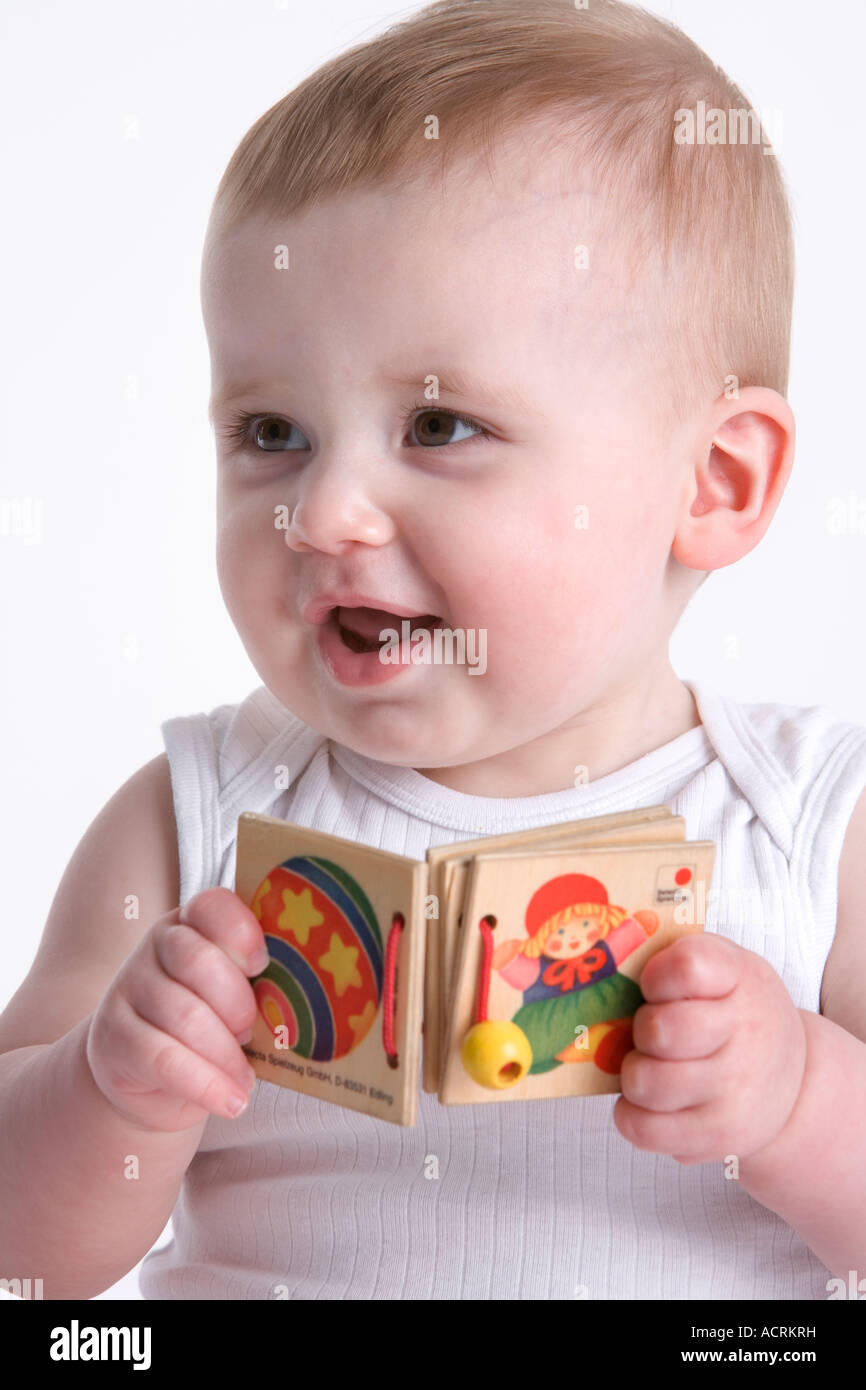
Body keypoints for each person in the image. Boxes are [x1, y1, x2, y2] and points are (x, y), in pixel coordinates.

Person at [3, 0, 866, 1301]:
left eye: (442, 424)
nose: (326, 511)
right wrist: (105, 1087)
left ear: (713, 481)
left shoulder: (805, 832)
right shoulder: (196, 825)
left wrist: (799, 1095)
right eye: (272, 432)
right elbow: (26, 1250)